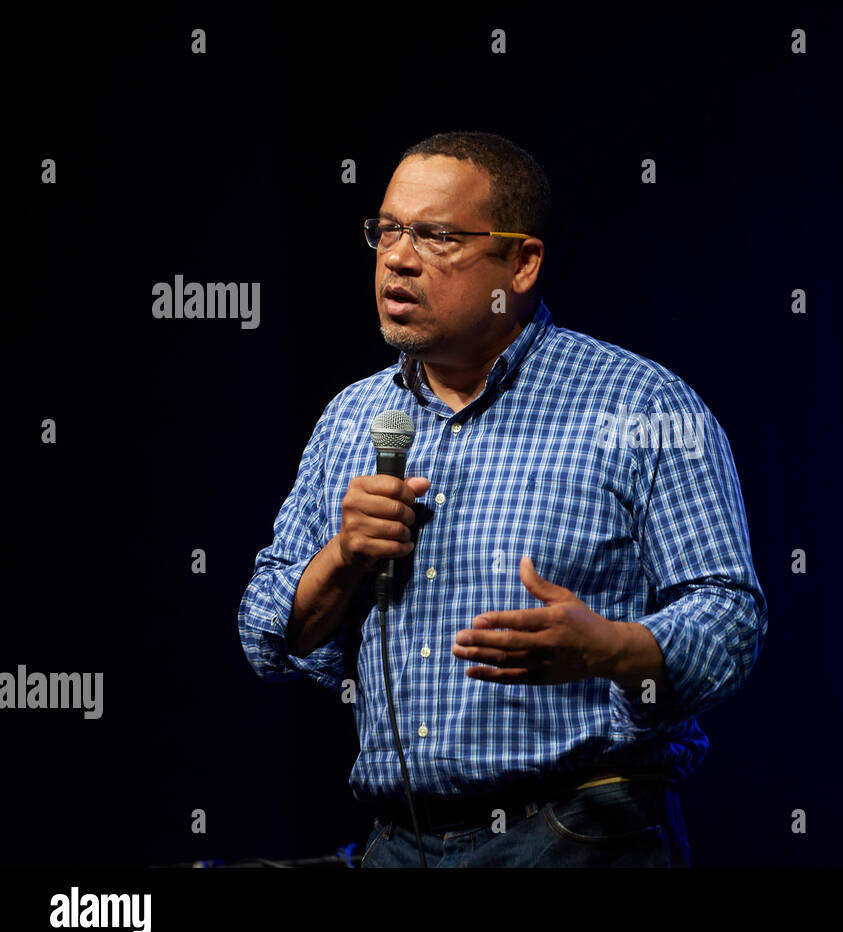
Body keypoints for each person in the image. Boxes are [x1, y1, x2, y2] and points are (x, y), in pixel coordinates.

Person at [238, 131, 766, 867]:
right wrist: (342, 556)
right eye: (387, 230)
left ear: (520, 263)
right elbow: (266, 630)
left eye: (437, 236)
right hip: (397, 841)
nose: (397, 256)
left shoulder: (642, 404)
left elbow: (731, 618)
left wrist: (612, 649)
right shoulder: (354, 418)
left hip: (578, 832)